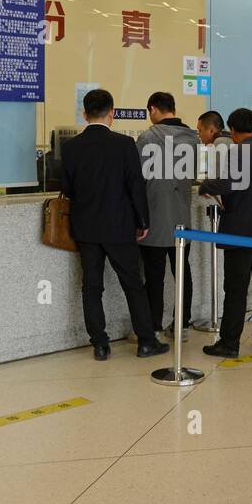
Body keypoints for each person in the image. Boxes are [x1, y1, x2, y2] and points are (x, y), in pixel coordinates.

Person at [61, 89, 170, 361]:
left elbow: (67, 189)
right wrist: (143, 220)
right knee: (133, 284)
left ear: (85, 114)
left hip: (86, 228)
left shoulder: (71, 147)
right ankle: (146, 341)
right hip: (120, 227)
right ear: (112, 113)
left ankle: (100, 345)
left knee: (91, 287)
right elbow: (136, 187)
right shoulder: (124, 144)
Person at [198, 107, 252, 358]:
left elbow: (228, 184)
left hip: (240, 230)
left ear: (232, 130)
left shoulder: (239, 151)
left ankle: (229, 343)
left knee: (235, 288)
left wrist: (205, 185)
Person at [136, 92, 199, 338]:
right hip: (182, 216)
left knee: (153, 276)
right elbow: (192, 177)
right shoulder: (193, 138)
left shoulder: (147, 137)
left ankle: (154, 326)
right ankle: (182, 325)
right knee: (183, 273)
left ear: (153, 109)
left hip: (153, 217)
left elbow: (137, 179)